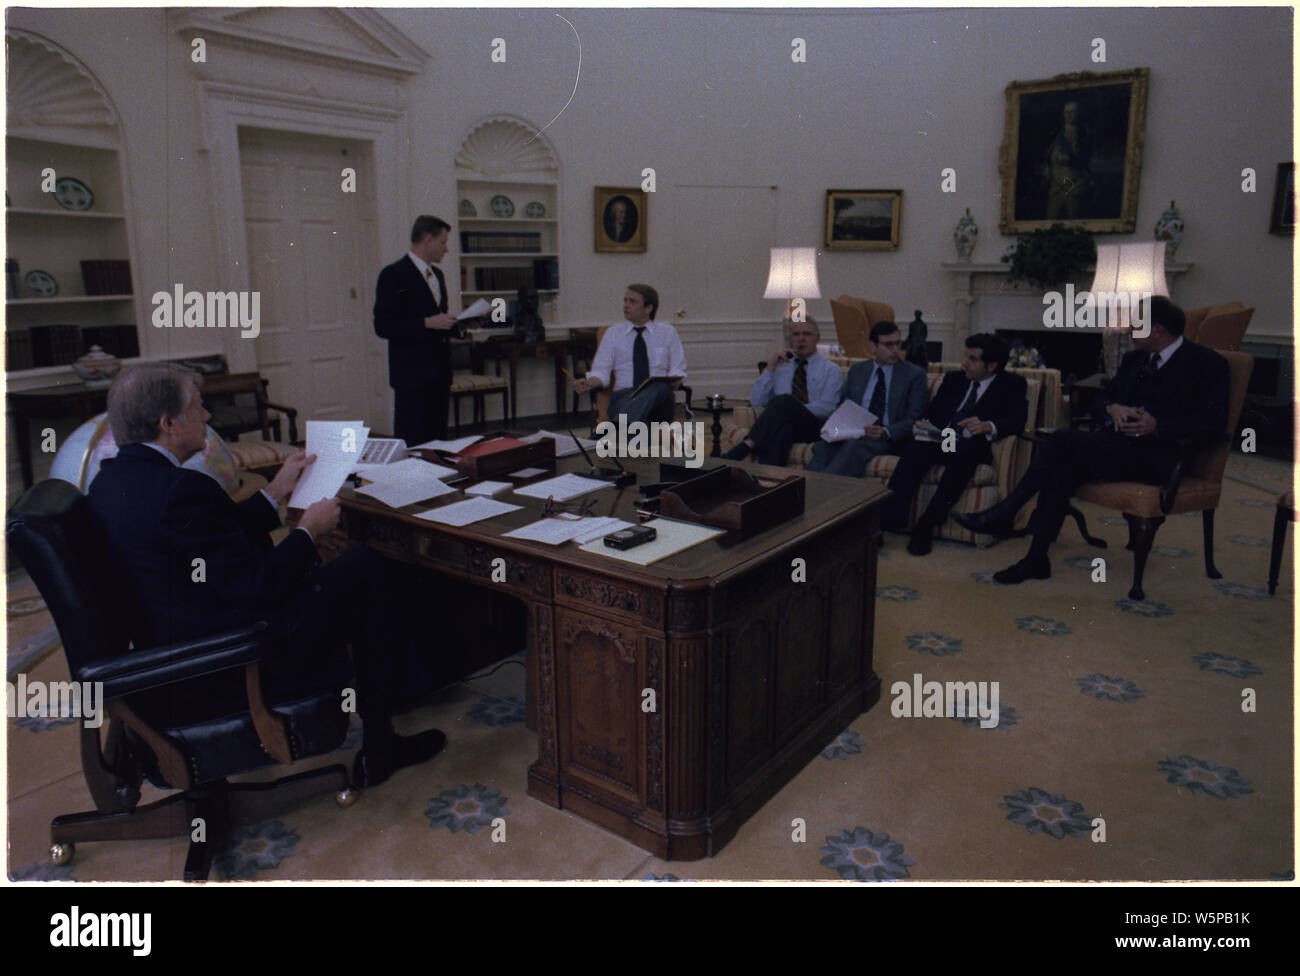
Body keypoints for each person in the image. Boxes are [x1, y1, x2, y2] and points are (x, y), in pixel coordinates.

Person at [86, 363, 446, 788]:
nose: (208, 418)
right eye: (199, 409)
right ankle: (383, 745)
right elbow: (261, 585)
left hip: (175, 647)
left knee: (350, 571)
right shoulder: (180, 491)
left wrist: (274, 492)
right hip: (227, 662)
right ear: (168, 423)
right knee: (365, 567)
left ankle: (399, 700)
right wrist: (309, 531)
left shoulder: (110, 482)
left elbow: (203, 540)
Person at [954, 297, 1229, 583]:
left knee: (1060, 443)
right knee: (1061, 465)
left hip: (1162, 457)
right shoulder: (1135, 359)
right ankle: (1035, 558)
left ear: (1157, 329)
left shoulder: (1207, 364)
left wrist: (1158, 426)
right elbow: (1101, 399)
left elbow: (1214, 425)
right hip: (1118, 448)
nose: (1129, 328)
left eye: (1137, 323)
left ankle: (1006, 514)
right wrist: (1114, 408)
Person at [881, 333, 1028, 556]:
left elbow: (1017, 420)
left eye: (973, 359)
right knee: (915, 450)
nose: (964, 363)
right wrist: (924, 424)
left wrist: (989, 426)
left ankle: (927, 523)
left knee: (965, 454)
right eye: (966, 357)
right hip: (942, 439)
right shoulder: (953, 379)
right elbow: (933, 413)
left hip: (971, 444)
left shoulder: (1013, 384)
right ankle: (891, 516)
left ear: (992, 366)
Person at [374, 215, 461, 446]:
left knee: (438, 441)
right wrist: (425, 323)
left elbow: (439, 321)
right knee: (412, 442)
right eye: (443, 242)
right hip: (411, 376)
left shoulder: (438, 276)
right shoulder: (393, 275)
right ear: (427, 239)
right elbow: (383, 326)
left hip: (439, 374)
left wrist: (460, 325)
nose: (447, 249)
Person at [806, 321, 927, 478]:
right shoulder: (858, 370)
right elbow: (843, 405)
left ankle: (824, 492)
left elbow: (914, 418)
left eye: (898, 343)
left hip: (886, 437)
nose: (895, 350)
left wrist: (886, 431)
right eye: (888, 345)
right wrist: (840, 426)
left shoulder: (914, 375)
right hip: (853, 430)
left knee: (854, 446)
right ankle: (804, 490)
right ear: (873, 346)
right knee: (823, 447)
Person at [721, 318, 840, 466]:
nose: (801, 339)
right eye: (796, 335)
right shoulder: (781, 367)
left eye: (807, 334)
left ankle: (748, 444)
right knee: (784, 429)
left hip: (815, 427)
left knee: (785, 401)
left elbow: (827, 408)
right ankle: (768, 481)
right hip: (786, 425)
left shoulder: (831, 370)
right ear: (791, 339)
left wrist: (791, 408)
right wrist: (770, 368)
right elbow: (756, 401)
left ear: (817, 338)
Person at [574, 284, 686, 425]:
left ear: (648, 308)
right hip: (625, 396)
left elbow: (678, 367)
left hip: (660, 401)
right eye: (625, 300)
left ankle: (616, 428)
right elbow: (601, 371)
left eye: (632, 302)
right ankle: (628, 428)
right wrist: (589, 383)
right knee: (637, 421)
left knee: (659, 387)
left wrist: (675, 380)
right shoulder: (613, 333)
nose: (626, 306)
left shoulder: (667, 332)